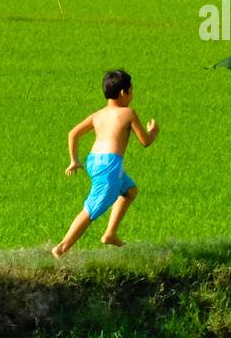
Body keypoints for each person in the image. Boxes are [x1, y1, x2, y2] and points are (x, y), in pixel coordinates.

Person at [54, 69, 158, 257]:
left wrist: (74, 160)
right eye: (131, 91)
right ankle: (61, 248)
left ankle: (110, 233)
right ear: (123, 93)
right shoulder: (128, 113)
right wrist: (154, 131)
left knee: (130, 190)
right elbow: (145, 141)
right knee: (91, 209)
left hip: (94, 161)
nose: (132, 95)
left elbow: (73, 134)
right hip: (110, 165)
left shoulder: (98, 114)